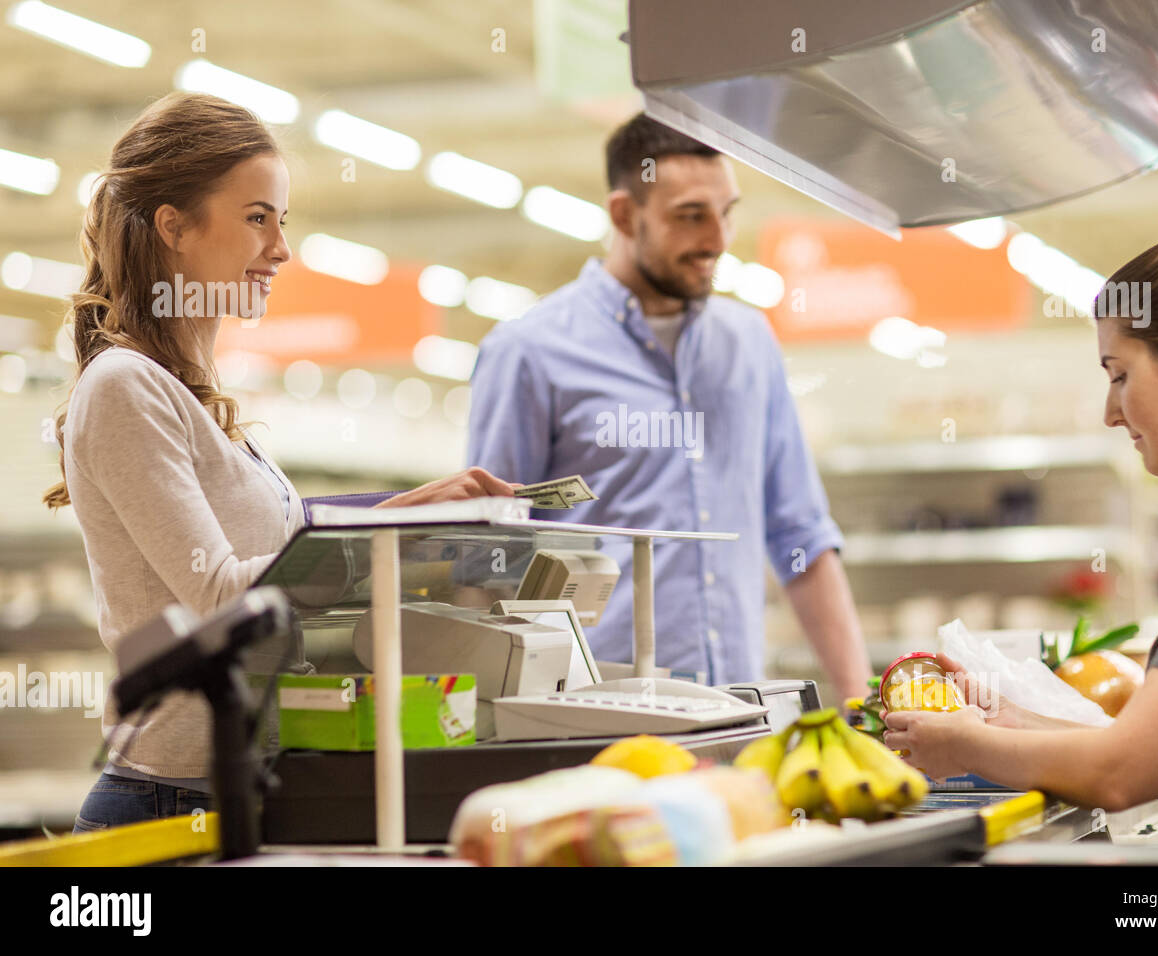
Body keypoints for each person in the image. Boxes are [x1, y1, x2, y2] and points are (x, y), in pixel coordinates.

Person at [42, 92, 514, 831]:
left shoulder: (193, 396)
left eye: (281, 221)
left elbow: (277, 551)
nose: (282, 249)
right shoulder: (125, 388)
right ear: (174, 227)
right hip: (172, 805)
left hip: (238, 785)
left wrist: (401, 512)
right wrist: (381, 542)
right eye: (257, 218)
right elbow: (225, 598)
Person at [884, 223, 1158, 840]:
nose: (1111, 412)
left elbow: (1124, 774)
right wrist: (1008, 721)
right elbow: (1152, 751)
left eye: (1119, 375)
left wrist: (968, 746)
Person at [467, 114, 869, 702]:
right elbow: (491, 551)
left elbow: (799, 535)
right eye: (691, 216)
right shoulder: (530, 352)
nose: (718, 238)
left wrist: (863, 704)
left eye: (727, 211)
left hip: (740, 710)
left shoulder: (750, 343)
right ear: (626, 216)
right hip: (594, 714)